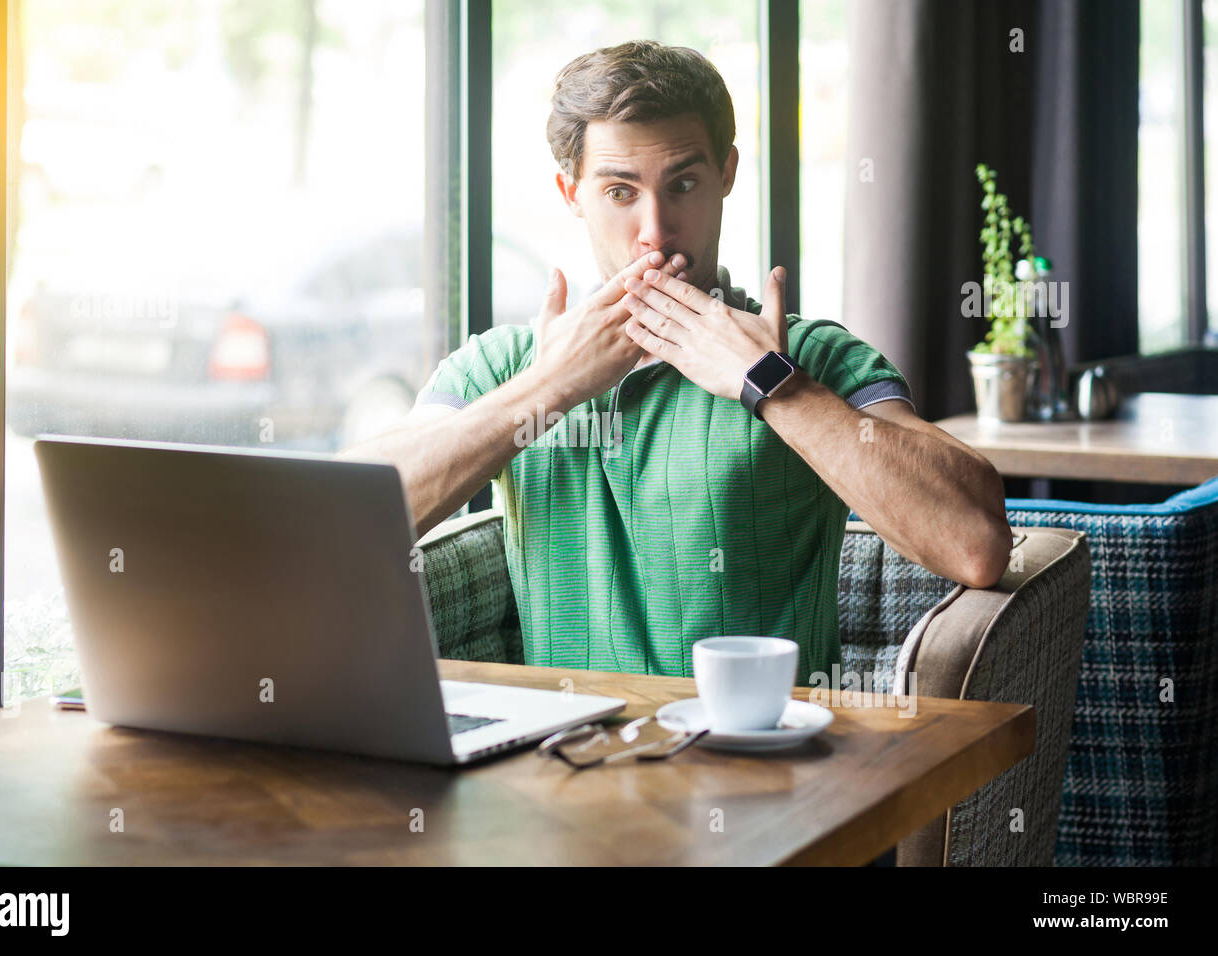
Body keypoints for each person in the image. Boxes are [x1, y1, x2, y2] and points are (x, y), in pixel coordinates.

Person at [345, 40, 1012, 684]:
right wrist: (548, 386)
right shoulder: (506, 366)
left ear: (726, 173)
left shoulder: (806, 357)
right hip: (563, 774)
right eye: (618, 192)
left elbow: (976, 544)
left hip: (766, 775)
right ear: (570, 192)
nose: (656, 230)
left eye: (684, 183)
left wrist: (771, 385)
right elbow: (335, 522)